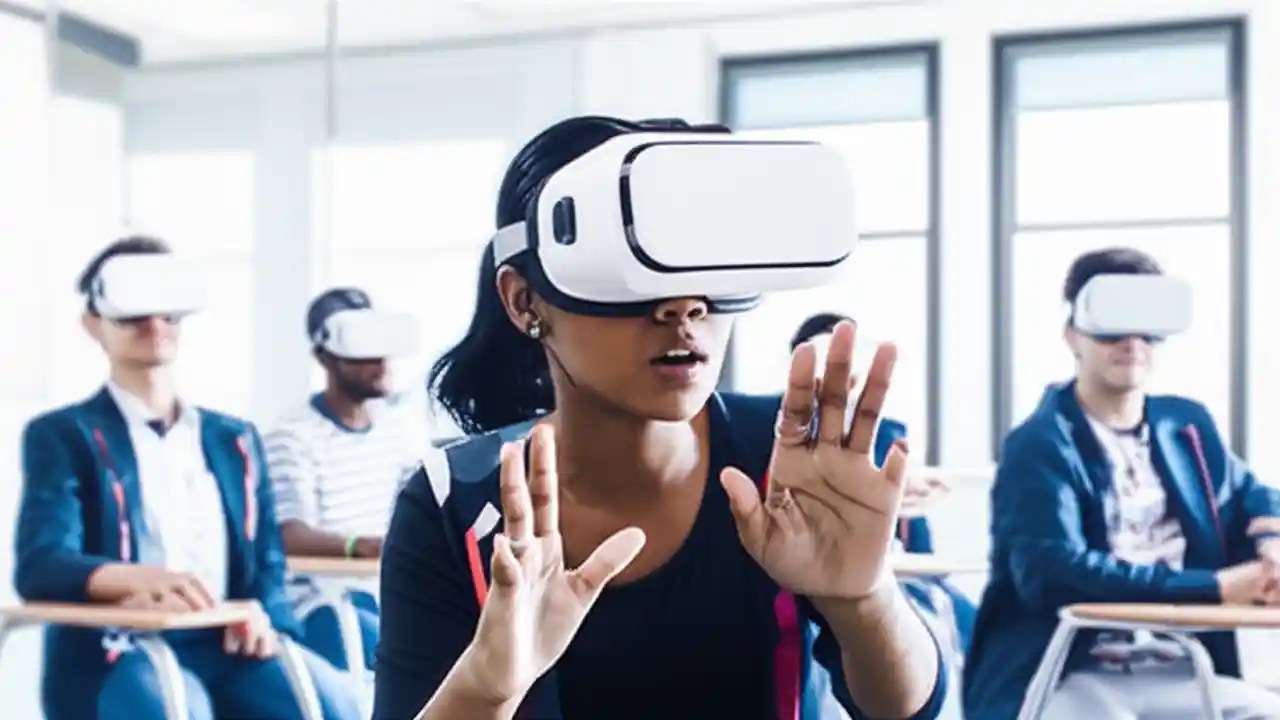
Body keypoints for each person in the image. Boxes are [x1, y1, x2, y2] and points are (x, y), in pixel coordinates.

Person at [372, 116, 947, 720]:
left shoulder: (785, 458)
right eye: (628, 260)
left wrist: (864, 598)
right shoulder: (452, 504)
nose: (683, 301)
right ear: (524, 301)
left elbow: (904, 711)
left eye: (705, 258)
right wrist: (486, 688)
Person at [13, 236, 361, 720]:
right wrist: (141, 581)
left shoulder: (235, 438)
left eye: (166, 305)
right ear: (92, 323)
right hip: (123, 647)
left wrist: (265, 616)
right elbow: (41, 563)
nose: (153, 321)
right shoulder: (62, 435)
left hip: (229, 640)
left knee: (338, 703)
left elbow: (267, 562)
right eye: (131, 307)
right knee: (177, 709)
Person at [963, 247, 1280, 720]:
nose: (1131, 341)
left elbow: (1249, 493)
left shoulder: (1186, 425)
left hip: (1183, 666)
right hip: (1073, 669)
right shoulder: (1039, 444)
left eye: (1146, 324)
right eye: (1112, 322)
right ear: (1072, 335)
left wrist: (1271, 538)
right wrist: (1210, 587)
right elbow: (1051, 571)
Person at [789, 312, 975, 657]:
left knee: (963, 622)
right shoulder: (778, 436)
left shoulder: (888, 434)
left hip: (895, 578)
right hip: (807, 582)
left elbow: (922, 551)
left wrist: (906, 502)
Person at [265, 287, 426, 670]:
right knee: (404, 655)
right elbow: (289, 535)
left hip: (384, 592)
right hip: (319, 602)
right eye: (362, 349)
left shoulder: (397, 430)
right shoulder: (292, 436)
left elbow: (421, 505)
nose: (381, 362)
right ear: (326, 357)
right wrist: (358, 545)